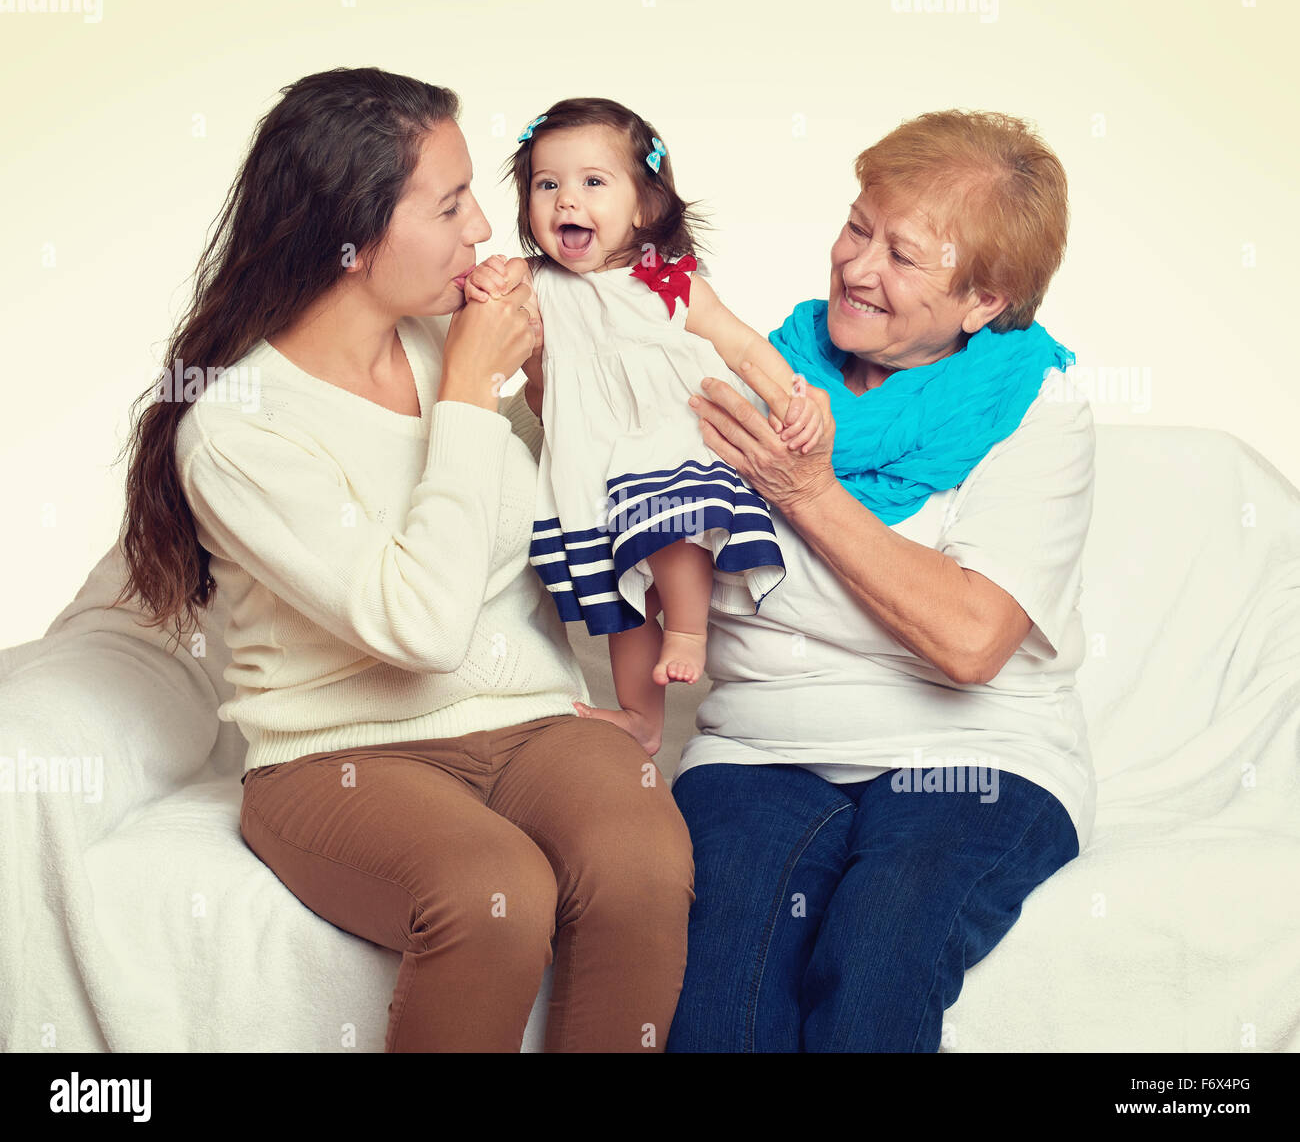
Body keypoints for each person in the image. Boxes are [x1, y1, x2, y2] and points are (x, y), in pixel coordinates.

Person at [108, 66, 694, 1053]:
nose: (482, 230)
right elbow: (420, 625)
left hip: (530, 722)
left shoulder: (440, 343)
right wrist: (470, 389)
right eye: (450, 203)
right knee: (495, 894)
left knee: (642, 860)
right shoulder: (239, 426)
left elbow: (546, 510)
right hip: (337, 753)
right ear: (351, 233)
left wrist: (552, 381)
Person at [663, 109, 1097, 1052]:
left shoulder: (1037, 408)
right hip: (760, 751)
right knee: (713, 1009)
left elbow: (972, 640)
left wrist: (808, 497)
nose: (858, 268)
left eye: (904, 255)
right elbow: (671, 546)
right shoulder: (755, 372)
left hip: (980, 757)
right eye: (859, 227)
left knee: (874, 963)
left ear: (984, 299)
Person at [463, 98, 825, 761]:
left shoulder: (671, 283)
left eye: (593, 182)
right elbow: (492, 288)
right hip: (590, 463)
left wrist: (791, 397)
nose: (566, 199)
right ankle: (640, 719)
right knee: (621, 594)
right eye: (547, 185)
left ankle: (688, 629)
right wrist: (488, 277)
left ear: (644, 207)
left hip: (668, 436)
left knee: (668, 520)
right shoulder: (539, 282)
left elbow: (743, 347)